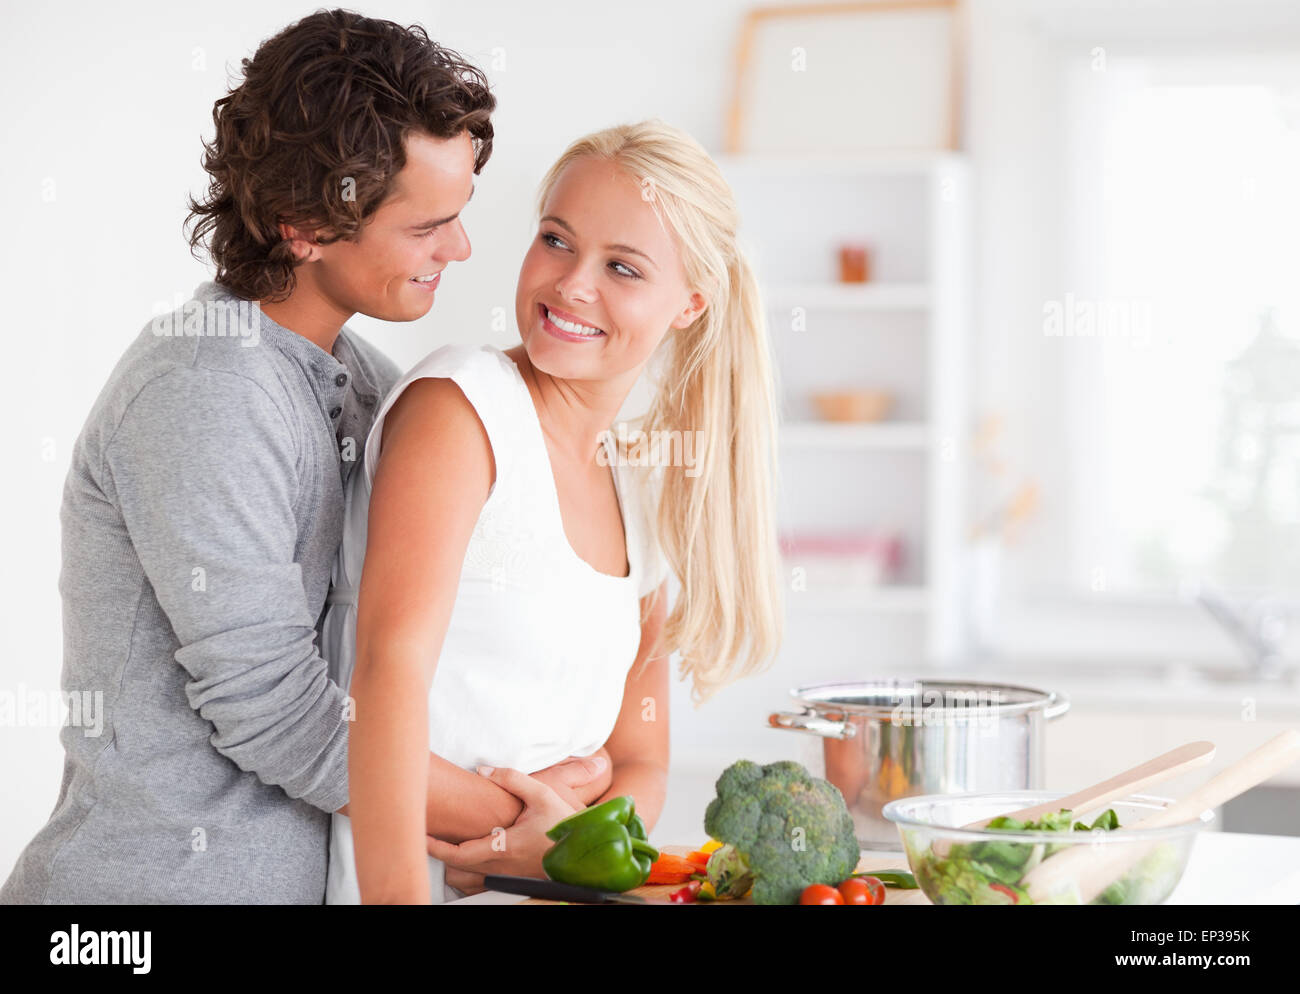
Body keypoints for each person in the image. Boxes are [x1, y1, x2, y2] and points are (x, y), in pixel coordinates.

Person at [0, 8, 604, 905]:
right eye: (426, 225)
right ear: (303, 225)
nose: (461, 248)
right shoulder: (204, 389)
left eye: (462, 214)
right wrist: (521, 822)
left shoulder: (364, 382)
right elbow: (280, 717)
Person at [324, 119, 785, 904]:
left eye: (624, 268)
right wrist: (522, 837)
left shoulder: (640, 486)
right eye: (557, 240)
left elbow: (640, 758)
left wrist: (563, 850)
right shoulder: (459, 411)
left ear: (689, 305)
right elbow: (383, 680)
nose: (573, 284)